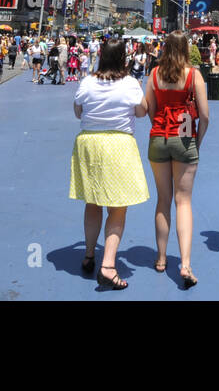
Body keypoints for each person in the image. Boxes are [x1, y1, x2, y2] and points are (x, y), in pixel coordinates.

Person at [70, 38, 149, 290]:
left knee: (92, 202)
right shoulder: (130, 84)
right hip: (118, 145)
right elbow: (141, 111)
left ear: (101, 56)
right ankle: (108, 266)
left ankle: (89, 254)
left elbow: (78, 111)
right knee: (117, 207)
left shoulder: (87, 81)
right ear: (124, 59)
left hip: (89, 144)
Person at [143, 31, 208, 287]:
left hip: (159, 137)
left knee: (163, 200)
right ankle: (185, 263)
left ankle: (160, 258)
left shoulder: (154, 74)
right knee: (183, 202)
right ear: (186, 48)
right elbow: (204, 116)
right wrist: (196, 142)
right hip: (184, 139)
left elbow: (150, 108)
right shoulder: (194, 76)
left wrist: (159, 129)